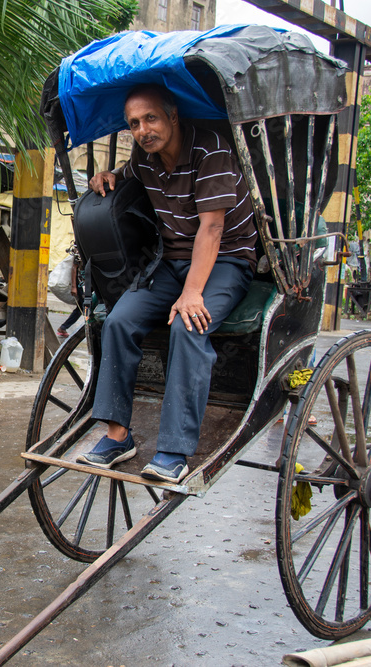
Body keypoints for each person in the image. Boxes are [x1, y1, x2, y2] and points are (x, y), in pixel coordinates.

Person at [74, 83, 257, 483]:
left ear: (173, 116)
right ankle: (118, 435)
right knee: (117, 321)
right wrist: (107, 175)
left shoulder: (210, 150)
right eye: (134, 124)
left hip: (226, 258)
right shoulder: (145, 156)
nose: (143, 130)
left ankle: (173, 450)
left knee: (188, 325)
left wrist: (192, 293)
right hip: (170, 261)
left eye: (151, 119)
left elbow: (212, 228)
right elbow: (124, 175)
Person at [57, 247, 83, 338]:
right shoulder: (80, 249)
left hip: (86, 282)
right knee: (83, 306)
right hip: (80, 282)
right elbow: (74, 268)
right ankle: (63, 327)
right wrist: (74, 287)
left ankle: (63, 327)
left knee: (82, 307)